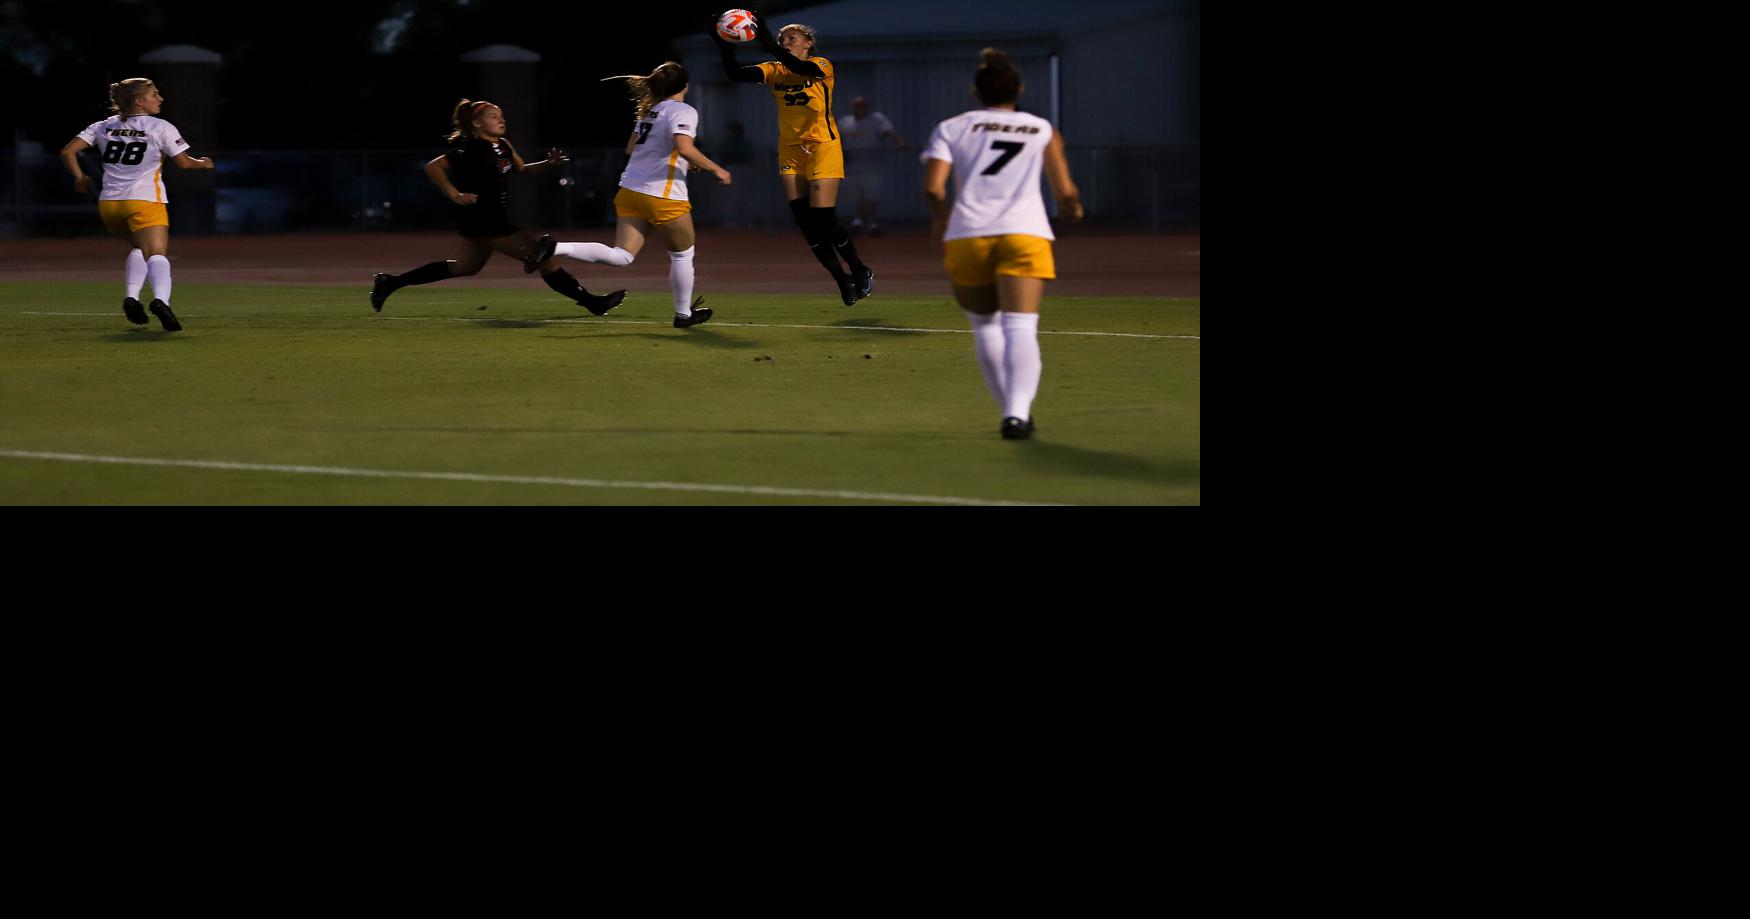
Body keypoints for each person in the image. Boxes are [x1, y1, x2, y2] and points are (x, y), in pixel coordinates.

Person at [921, 49, 1084, 441]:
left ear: (975, 91)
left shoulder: (952, 127)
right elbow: (1064, 191)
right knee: (1021, 326)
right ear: (1019, 89)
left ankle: (1010, 412)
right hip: (1025, 233)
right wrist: (1071, 210)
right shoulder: (1041, 127)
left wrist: (942, 218)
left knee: (985, 327)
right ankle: (1017, 413)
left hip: (969, 234)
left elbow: (933, 187)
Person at [369, 99, 622, 315]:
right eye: (493, 116)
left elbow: (522, 169)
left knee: (464, 267)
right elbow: (433, 167)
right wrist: (454, 194)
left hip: (489, 217)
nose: (500, 120)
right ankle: (592, 303)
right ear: (477, 123)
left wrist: (548, 163)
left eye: (501, 115)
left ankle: (390, 283)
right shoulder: (471, 148)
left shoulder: (503, 145)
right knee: (545, 259)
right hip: (484, 218)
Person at [547, 62, 731, 329]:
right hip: (663, 194)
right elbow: (684, 146)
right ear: (685, 86)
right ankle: (683, 314)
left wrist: (679, 157)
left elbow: (633, 148)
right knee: (682, 255)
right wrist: (716, 168)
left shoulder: (650, 111)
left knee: (623, 255)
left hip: (630, 190)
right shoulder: (683, 110)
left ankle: (555, 248)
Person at [713, 12, 873, 306]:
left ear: (808, 43)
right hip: (790, 149)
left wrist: (766, 43)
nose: (785, 42)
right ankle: (841, 280)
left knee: (825, 219)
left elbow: (799, 67)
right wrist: (724, 44)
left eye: (792, 38)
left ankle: (860, 268)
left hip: (823, 145)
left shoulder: (820, 64)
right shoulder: (775, 69)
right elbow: (735, 75)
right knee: (805, 222)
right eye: (781, 38)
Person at [58, 78, 215, 332]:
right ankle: (161, 301)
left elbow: (68, 151)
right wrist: (204, 163)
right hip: (144, 199)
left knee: (140, 249)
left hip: (110, 204)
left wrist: (80, 178)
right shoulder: (160, 126)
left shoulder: (103, 126)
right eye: (155, 94)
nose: (160, 98)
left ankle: (132, 297)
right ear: (139, 101)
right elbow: (185, 163)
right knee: (156, 253)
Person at [839, 96, 907, 237]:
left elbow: (889, 132)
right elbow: (836, 140)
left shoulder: (877, 120)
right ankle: (868, 223)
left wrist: (900, 143)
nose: (860, 109)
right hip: (851, 165)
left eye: (863, 106)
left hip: (872, 165)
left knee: (871, 196)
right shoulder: (845, 122)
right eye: (857, 106)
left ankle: (861, 222)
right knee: (858, 196)